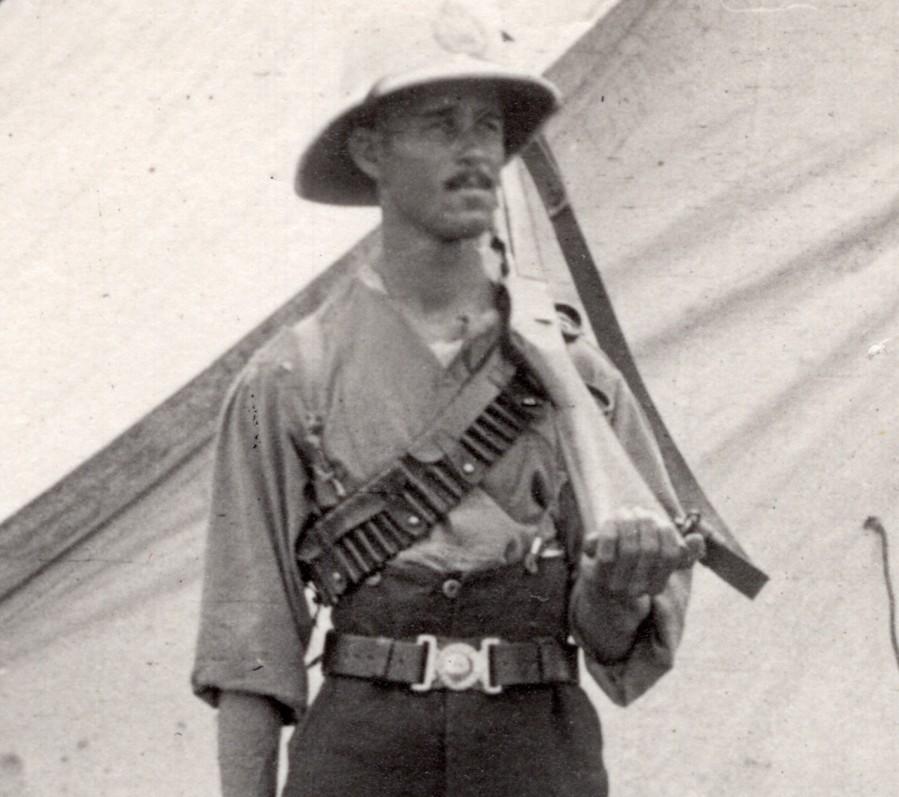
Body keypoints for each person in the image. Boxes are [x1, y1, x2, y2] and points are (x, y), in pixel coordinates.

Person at [192, 3, 704, 795]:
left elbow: (617, 644)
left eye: (488, 128)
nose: (473, 152)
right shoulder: (286, 379)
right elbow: (249, 647)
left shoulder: (574, 376)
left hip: (536, 752)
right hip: (360, 756)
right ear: (368, 148)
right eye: (438, 123)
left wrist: (614, 585)